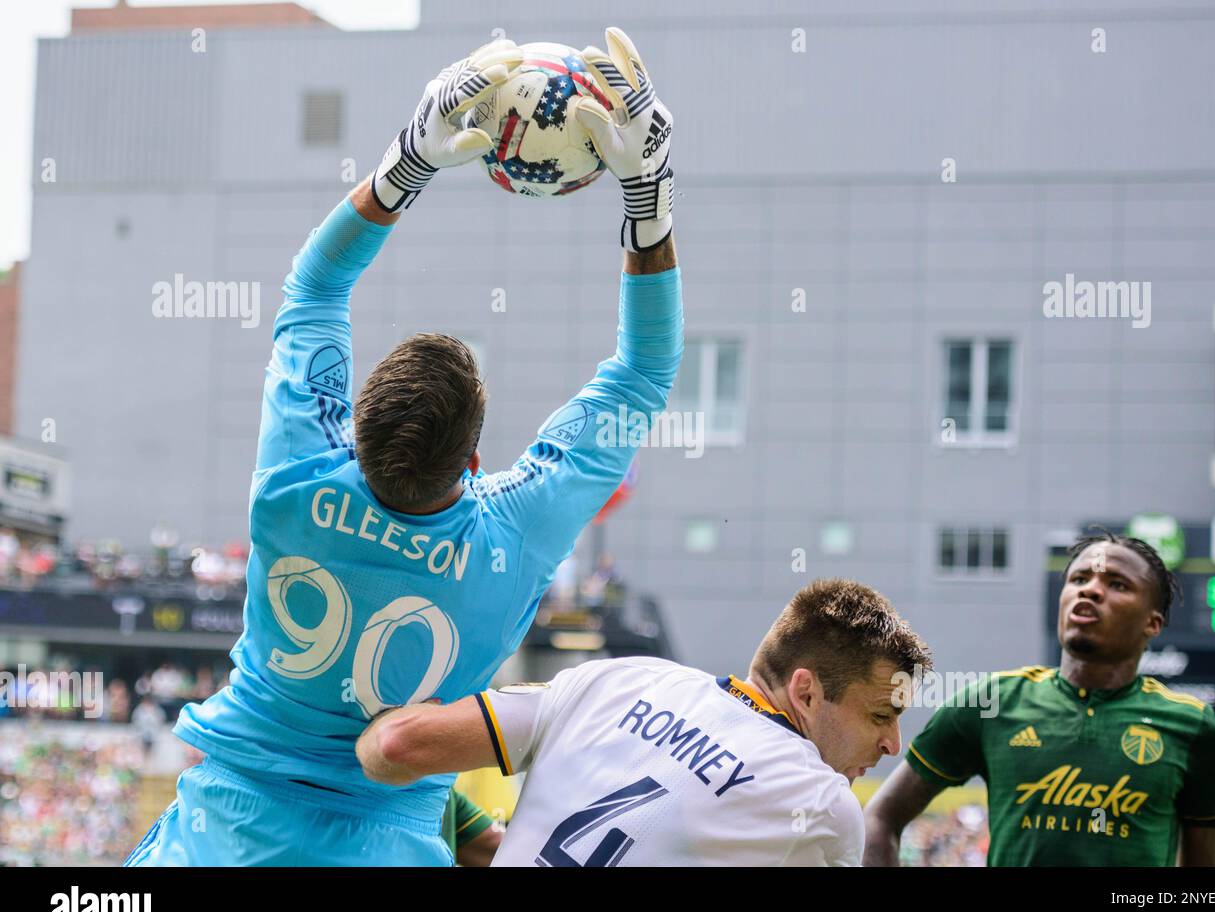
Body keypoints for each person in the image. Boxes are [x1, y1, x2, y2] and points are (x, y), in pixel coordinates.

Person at [125, 28, 681, 867]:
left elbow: (315, 285)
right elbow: (643, 373)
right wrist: (648, 195)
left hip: (213, 840)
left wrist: (409, 158)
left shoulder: (293, 478)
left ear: (351, 428)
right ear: (470, 462)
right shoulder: (513, 538)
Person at [357, 579, 932, 867]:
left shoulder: (620, 677)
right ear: (806, 690)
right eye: (881, 714)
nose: (891, 743)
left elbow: (401, 744)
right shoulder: (824, 807)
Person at [863, 530, 1215, 866]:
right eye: (1079, 578)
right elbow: (880, 818)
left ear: (1152, 623)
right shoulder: (991, 702)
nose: (1090, 590)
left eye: (1117, 584)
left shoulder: (1194, 727)